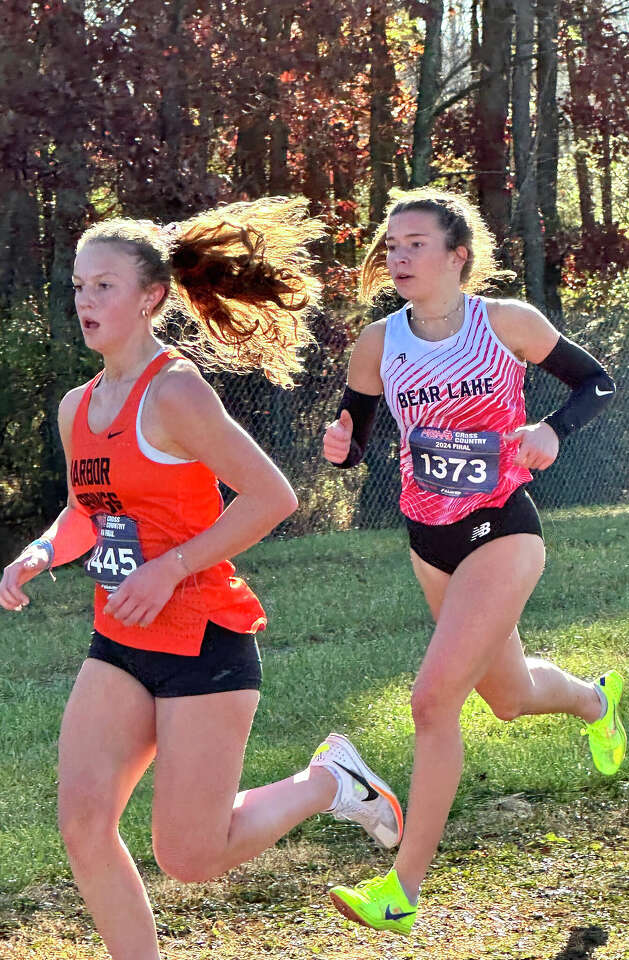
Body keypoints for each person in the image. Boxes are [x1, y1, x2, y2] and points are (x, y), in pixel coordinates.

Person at [0, 198, 403, 960]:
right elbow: (86, 510)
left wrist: (170, 567)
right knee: (84, 826)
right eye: (80, 287)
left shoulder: (175, 392)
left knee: (190, 858)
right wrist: (39, 551)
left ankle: (330, 781)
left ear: (151, 296)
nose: (86, 302)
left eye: (104, 287)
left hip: (205, 640)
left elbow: (272, 496)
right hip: (120, 638)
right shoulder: (76, 407)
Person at [322, 188, 626, 936]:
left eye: (415, 243)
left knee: (433, 703)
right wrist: (342, 449)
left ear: (458, 255)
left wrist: (553, 431)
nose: (397, 256)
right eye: (390, 245)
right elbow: (356, 429)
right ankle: (594, 700)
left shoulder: (507, 324)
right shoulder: (378, 342)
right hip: (430, 540)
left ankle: (401, 890)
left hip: (504, 526)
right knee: (508, 697)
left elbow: (596, 383)